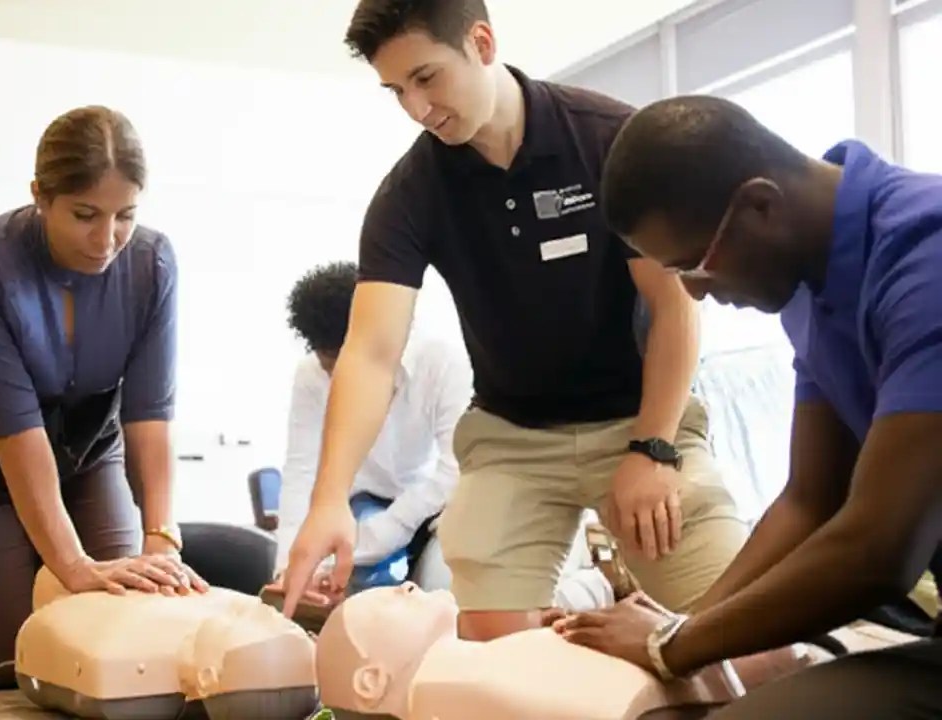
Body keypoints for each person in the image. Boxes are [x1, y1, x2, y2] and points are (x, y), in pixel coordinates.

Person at [280, 0, 748, 641]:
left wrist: (654, 448)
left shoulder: (607, 140)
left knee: (744, 629)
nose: (416, 109)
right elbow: (370, 352)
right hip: (513, 436)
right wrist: (329, 499)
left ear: (481, 41)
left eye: (426, 78)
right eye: (396, 91)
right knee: (495, 654)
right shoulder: (409, 194)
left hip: (640, 419)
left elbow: (675, 307)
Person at [553, 95, 942, 717]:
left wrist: (672, 646)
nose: (693, 293)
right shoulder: (814, 286)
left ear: (761, 204)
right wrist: (684, 626)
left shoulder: (926, 255)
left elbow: (879, 551)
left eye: (694, 265)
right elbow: (809, 500)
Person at [0, 105, 210, 692]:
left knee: (122, 623)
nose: (108, 240)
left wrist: (161, 539)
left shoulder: (152, 263)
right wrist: (72, 566)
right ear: (40, 196)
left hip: (86, 457)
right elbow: (14, 427)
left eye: (125, 215)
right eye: (85, 215)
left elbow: (150, 412)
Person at [274, 260, 470, 595]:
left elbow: (455, 468)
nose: (340, 383)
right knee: (352, 594)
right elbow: (300, 472)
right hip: (359, 506)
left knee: (445, 585)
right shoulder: (311, 375)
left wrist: (379, 536)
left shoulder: (441, 363)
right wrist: (290, 565)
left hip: (435, 505)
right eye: (330, 370)